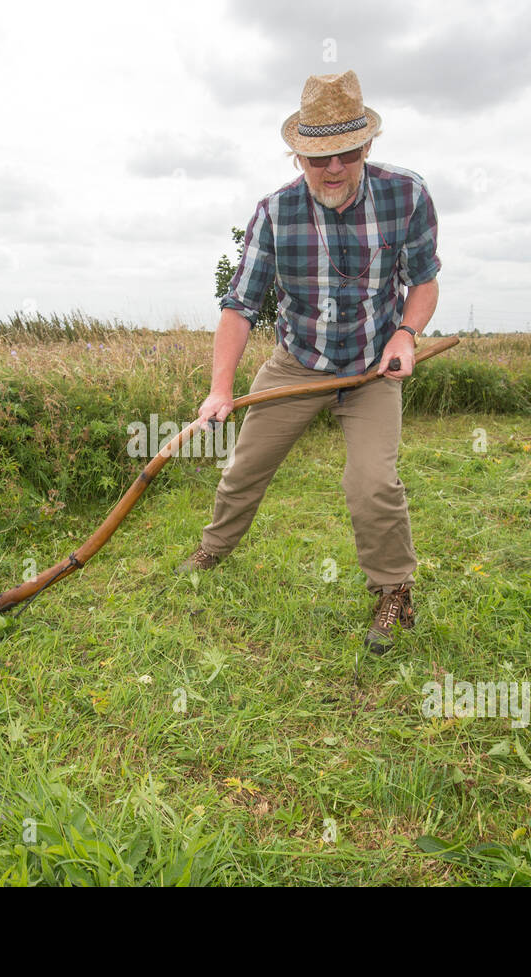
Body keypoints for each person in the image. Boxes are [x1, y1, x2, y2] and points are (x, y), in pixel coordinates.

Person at [180, 69, 440, 654]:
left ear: (367, 146)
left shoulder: (408, 196)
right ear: (296, 154)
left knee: (373, 484)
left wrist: (406, 335)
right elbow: (240, 306)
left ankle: (393, 591)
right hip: (297, 363)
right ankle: (211, 551)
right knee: (243, 469)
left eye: (346, 153)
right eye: (317, 157)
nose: (333, 169)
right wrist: (220, 388)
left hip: (373, 368)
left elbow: (424, 282)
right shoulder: (276, 214)